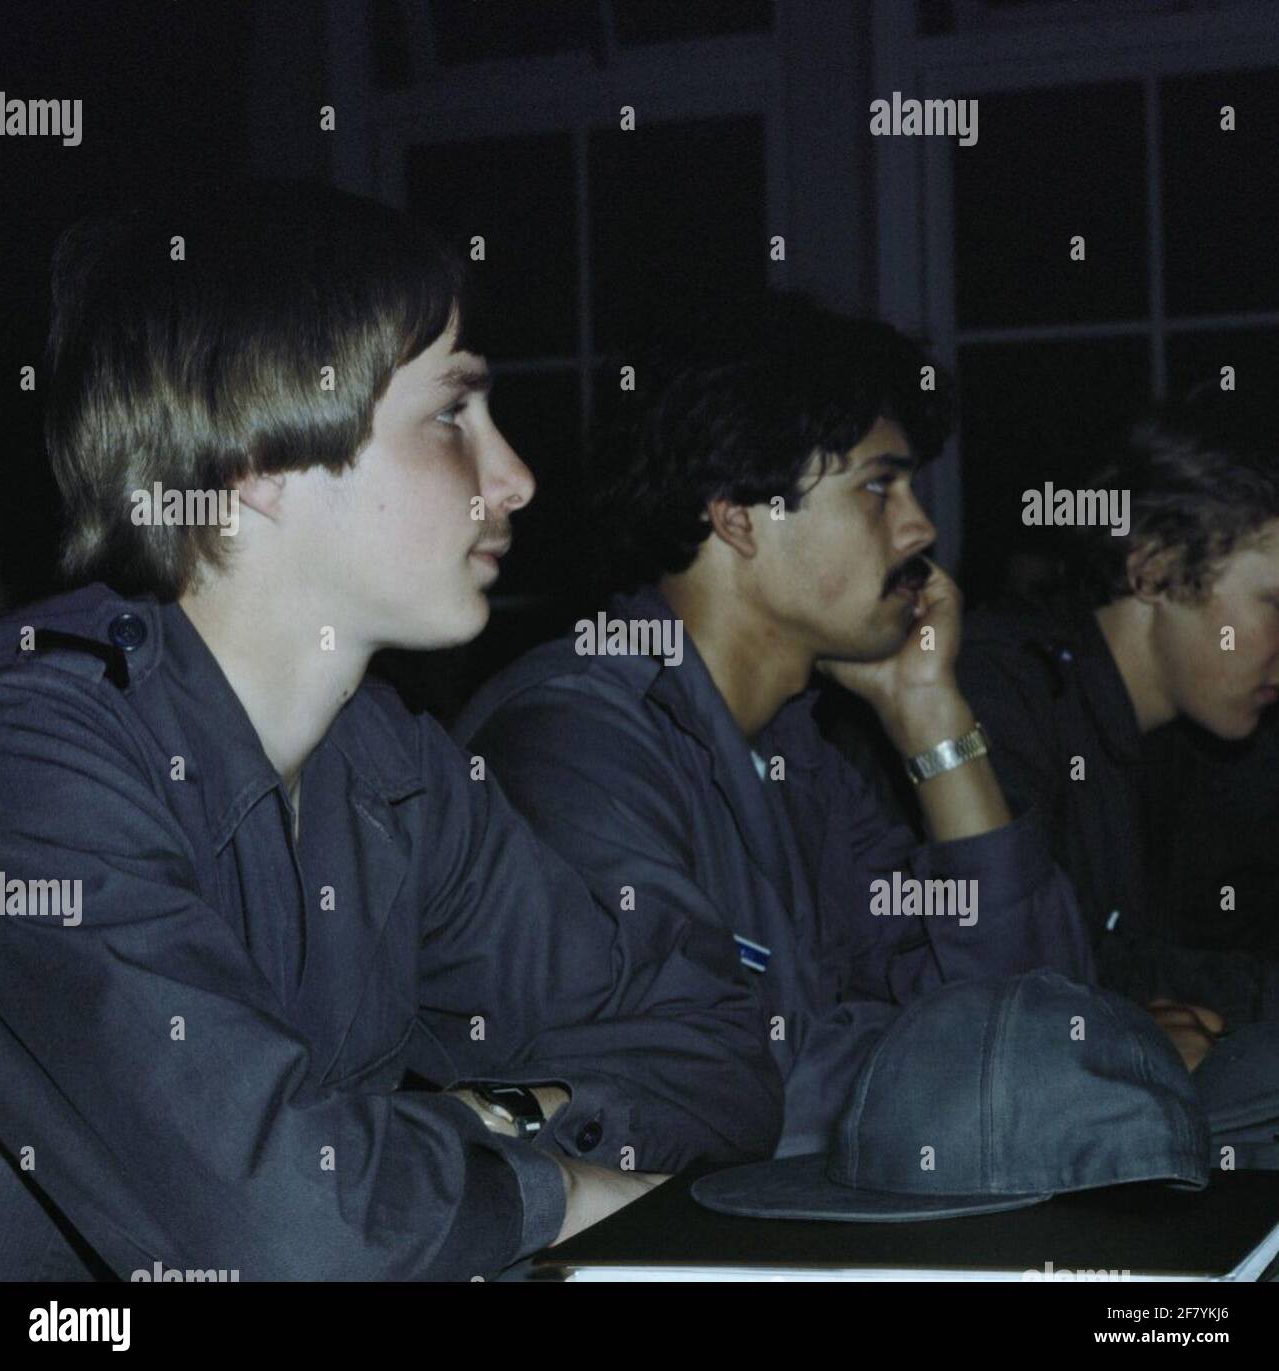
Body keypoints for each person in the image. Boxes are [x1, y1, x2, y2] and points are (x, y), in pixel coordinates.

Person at [0, 181, 782, 1282]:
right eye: (452, 414)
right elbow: (289, 1229)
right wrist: (557, 1185)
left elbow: (718, 1053)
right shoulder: (28, 765)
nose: (513, 478)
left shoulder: (389, 765)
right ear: (252, 460)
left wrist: (485, 1116)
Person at [454, 296, 1095, 1159]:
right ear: (739, 516)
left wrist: (930, 717)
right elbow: (715, 1099)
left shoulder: (794, 752)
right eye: (879, 486)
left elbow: (1031, 1008)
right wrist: (972, 1061)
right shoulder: (574, 747)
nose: (920, 527)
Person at [949, 392, 1279, 1066]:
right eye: (1275, 604)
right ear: (1153, 569)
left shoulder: (1204, 733)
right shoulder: (1000, 693)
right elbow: (1012, 992)